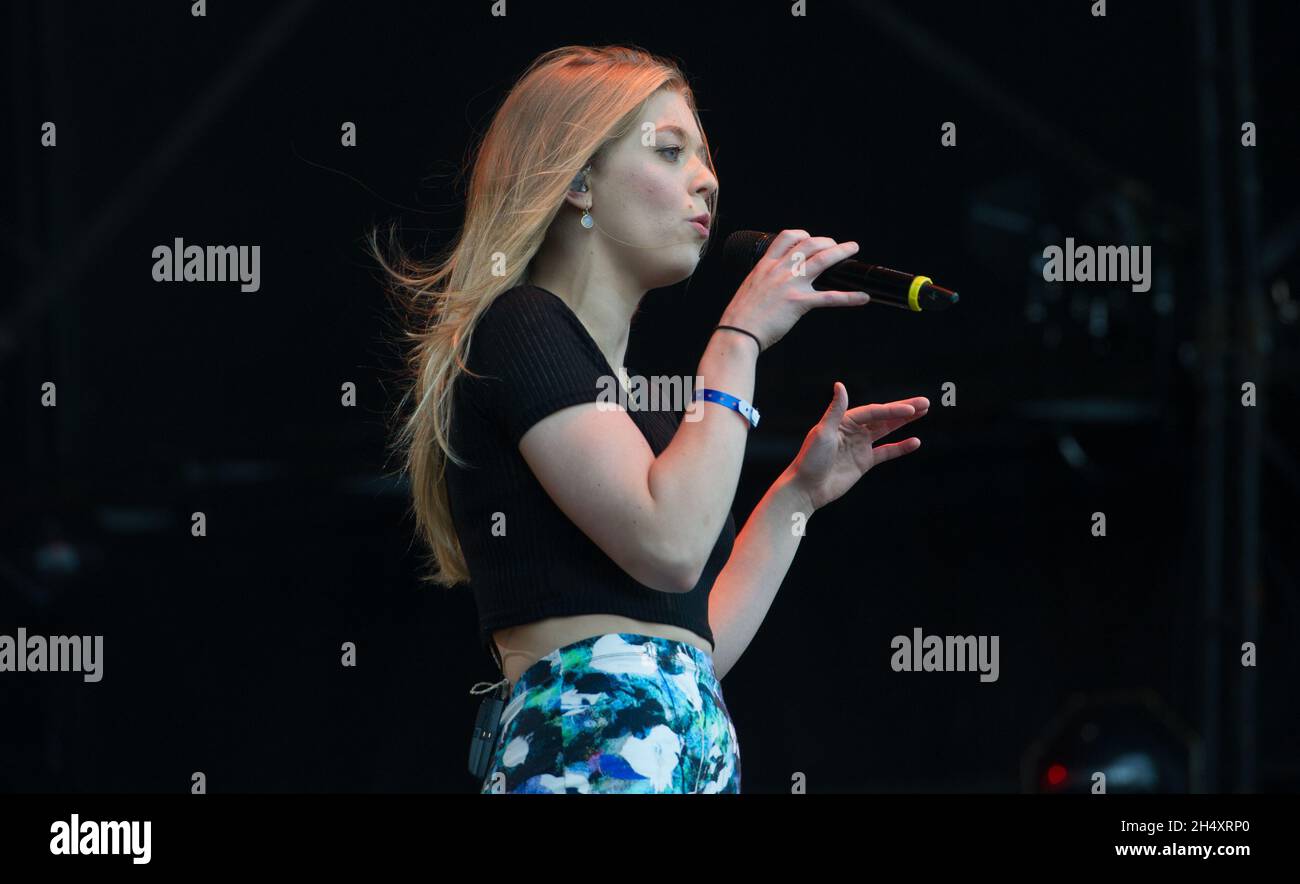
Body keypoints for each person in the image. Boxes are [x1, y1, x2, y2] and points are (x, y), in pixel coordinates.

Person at [369, 44, 928, 793]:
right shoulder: (522, 327)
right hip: (588, 745)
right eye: (669, 151)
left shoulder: (650, 421)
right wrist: (739, 339)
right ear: (575, 181)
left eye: (703, 155)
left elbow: (693, 644)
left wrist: (797, 493)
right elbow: (665, 544)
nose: (708, 179)